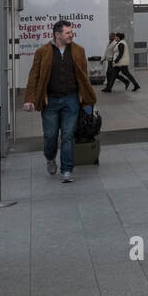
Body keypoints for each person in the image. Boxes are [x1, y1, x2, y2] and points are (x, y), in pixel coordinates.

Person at [23, 19, 97, 183]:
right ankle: (50, 158)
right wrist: (30, 99)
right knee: (50, 136)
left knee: (68, 136)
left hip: (71, 100)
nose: (71, 35)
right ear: (57, 34)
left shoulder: (78, 51)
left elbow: (84, 77)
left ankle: (67, 170)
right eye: (68, 32)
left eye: (71, 32)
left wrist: (87, 100)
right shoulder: (42, 52)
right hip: (50, 101)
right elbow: (34, 76)